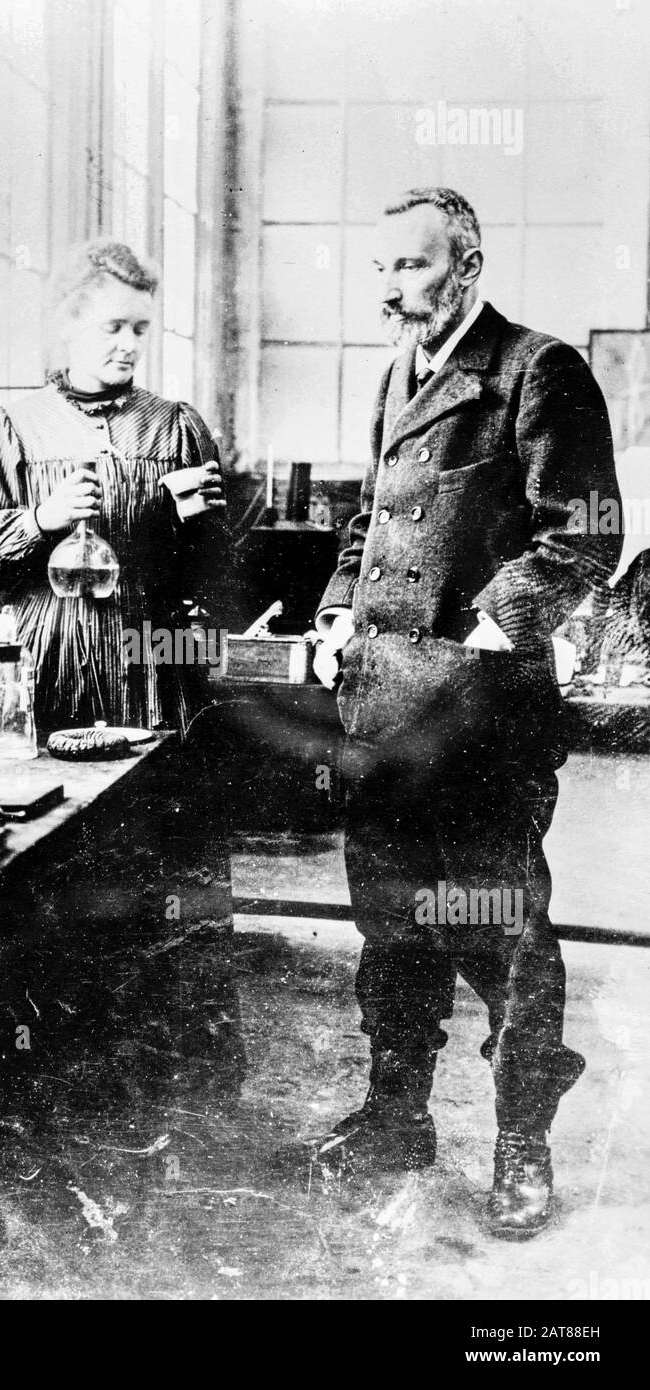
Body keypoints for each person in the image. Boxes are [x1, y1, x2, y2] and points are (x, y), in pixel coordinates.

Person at [306, 188, 622, 1237]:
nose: (391, 289)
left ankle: (520, 1145)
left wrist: (489, 633)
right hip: (380, 716)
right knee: (390, 925)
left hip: (482, 724)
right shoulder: (396, 376)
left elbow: (581, 533)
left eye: (412, 266)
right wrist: (329, 616)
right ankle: (395, 1116)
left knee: (503, 936)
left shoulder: (536, 370)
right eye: (381, 269)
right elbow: (364, 522)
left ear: (469, 265)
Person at [0, 238, 229, 734]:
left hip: (149, 652)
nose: (130, 344)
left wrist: (189, 523)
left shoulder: (176, 425)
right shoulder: (13, 426)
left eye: (141, 329)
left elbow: (216, 574)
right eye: (113, 327)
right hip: (44, 650)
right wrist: (41, 519)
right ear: (68, 324)